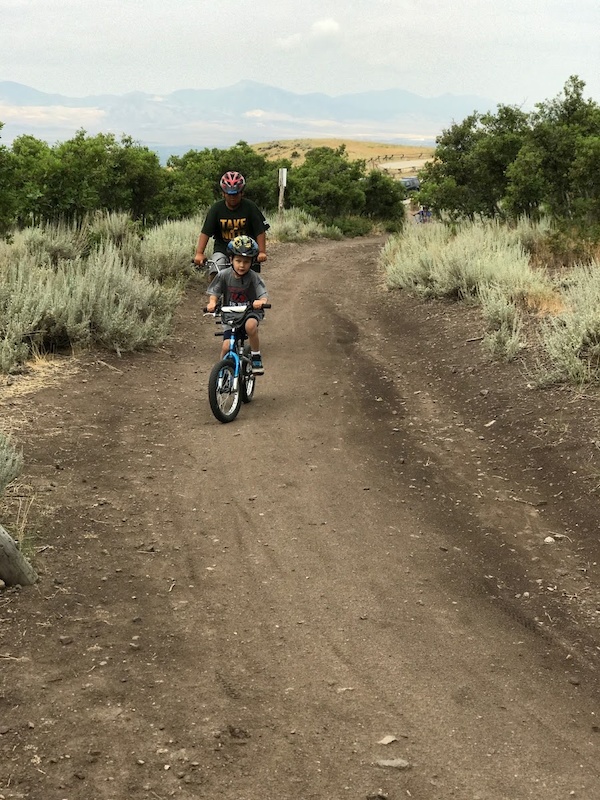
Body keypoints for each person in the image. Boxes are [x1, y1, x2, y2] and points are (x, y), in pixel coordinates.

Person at [205, 235, 269, 375]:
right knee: (226, 346)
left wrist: (261, 302)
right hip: (230, 313)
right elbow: (215, 292)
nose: (241, 265)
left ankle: (256, 356)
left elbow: (262, 295)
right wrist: (212, 302)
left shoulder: (253, 277)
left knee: (250, 326)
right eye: (238, 260)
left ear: (252, 262)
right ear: (230, 260)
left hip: (249, 312)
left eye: (246, 262)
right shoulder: (223, 275)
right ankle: (221, 374)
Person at [194, 171, 269, 275]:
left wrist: (261, 252)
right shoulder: (216, 209)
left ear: (242, 192)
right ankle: (215, 291)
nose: (232, 197)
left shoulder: (250, 207)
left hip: (247, 250)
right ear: (223, 193)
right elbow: (206, 232)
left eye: (236, 194)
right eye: (229, 194)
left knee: (253, 279)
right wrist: (199, 253)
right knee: (215, 271)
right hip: (223, 250)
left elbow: (260, 231)